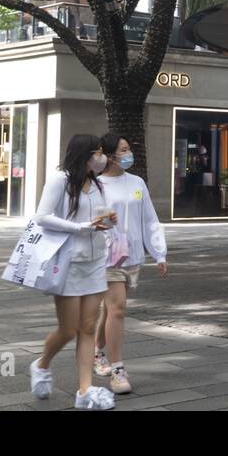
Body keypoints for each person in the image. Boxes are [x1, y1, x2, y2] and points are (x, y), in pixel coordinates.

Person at [28, 134, 119, 410]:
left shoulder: (97, 184)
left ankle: (85, 389)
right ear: (84, 154)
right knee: (68, 329)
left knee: (88, 327)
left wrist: (108, 221)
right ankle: (41, 364)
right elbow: (41, 217)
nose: (102, 157)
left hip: (94, 262)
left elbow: (96, 221)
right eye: (98, 152)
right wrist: (80, 228)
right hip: (67, 263)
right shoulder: (60, 180)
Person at [92, 134, 168, 395]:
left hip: (133, 258)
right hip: (107, 257)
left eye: (129, 149)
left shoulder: (137, 182)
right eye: (123, 150)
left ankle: (96, 352)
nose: (128, 154)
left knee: (109, 309)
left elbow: (149, 219)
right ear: (109, 155)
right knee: (118, 309)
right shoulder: (95, 185)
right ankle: (118, 370)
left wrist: (159, 253)